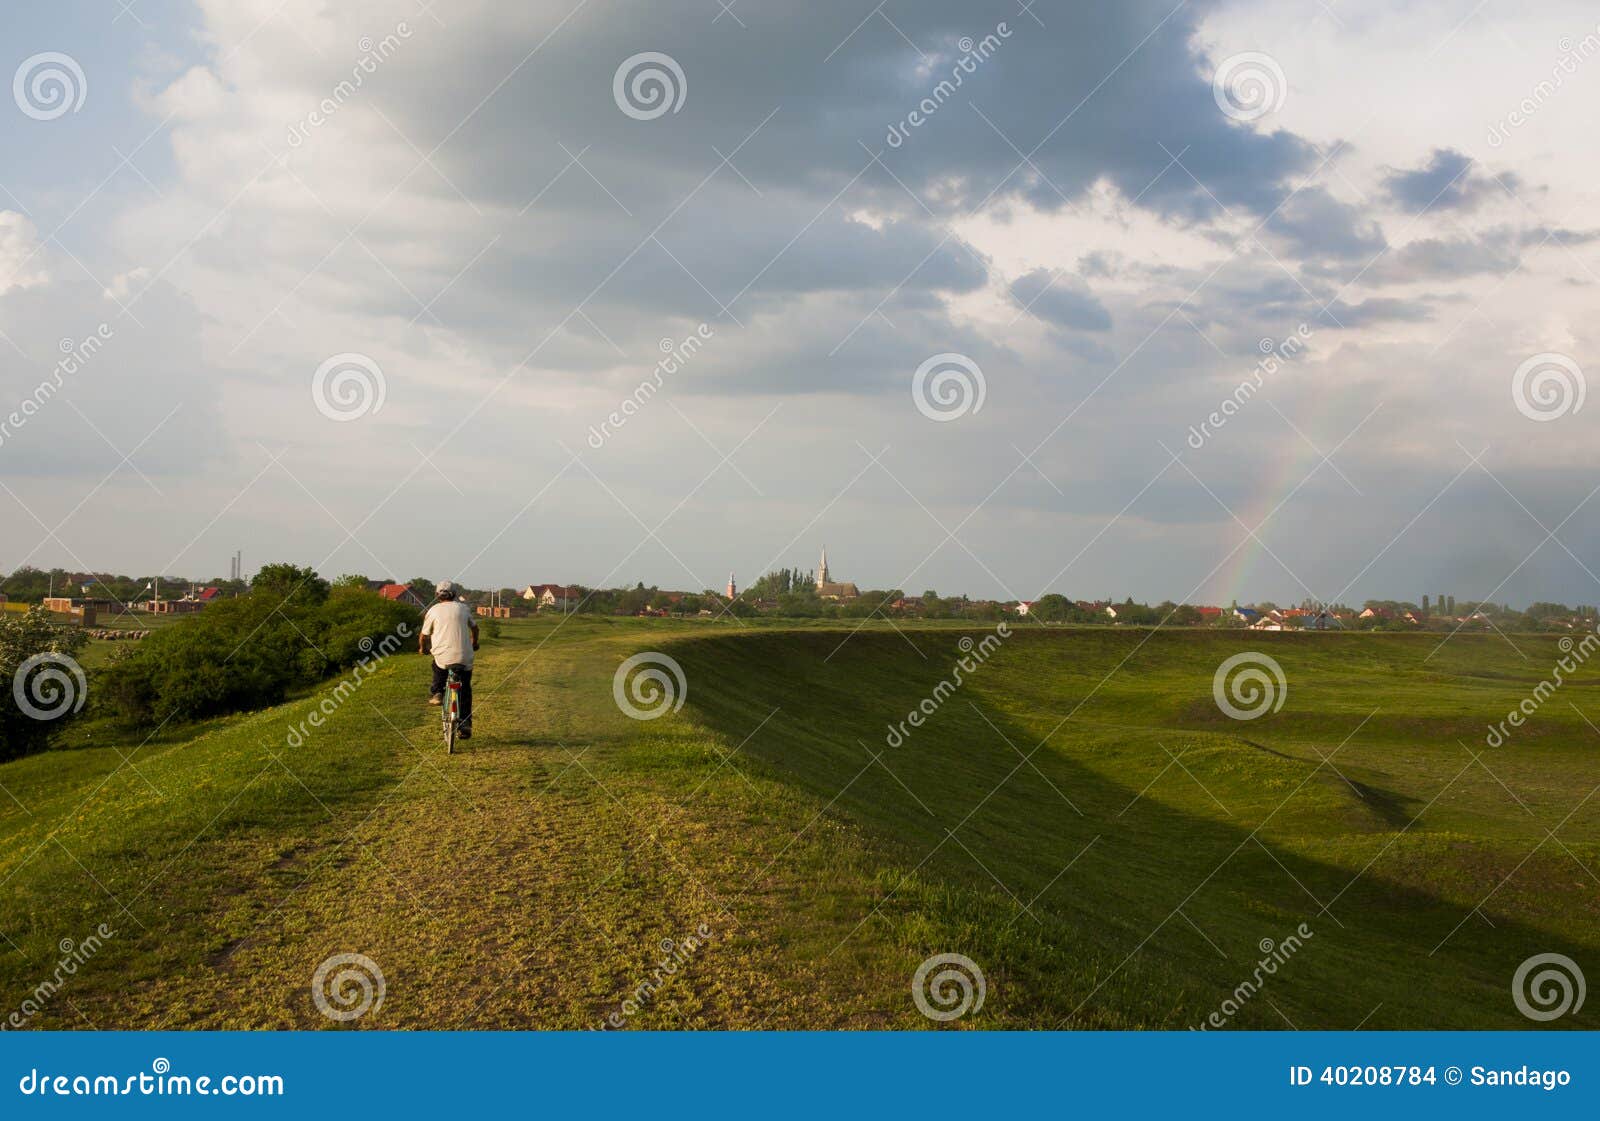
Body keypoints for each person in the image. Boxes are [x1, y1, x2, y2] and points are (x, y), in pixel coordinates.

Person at [420, 580, 479, 739]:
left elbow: (424, 636)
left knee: (438, 667)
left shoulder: (433, 610)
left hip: (442, 656)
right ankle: (465, 724)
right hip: (464, 656)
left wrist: (423, 648)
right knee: (465, 688)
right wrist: (474, 643)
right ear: (454, 594)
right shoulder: (463, 608)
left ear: (437, 595)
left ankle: (438, 692)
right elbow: (474, 628)